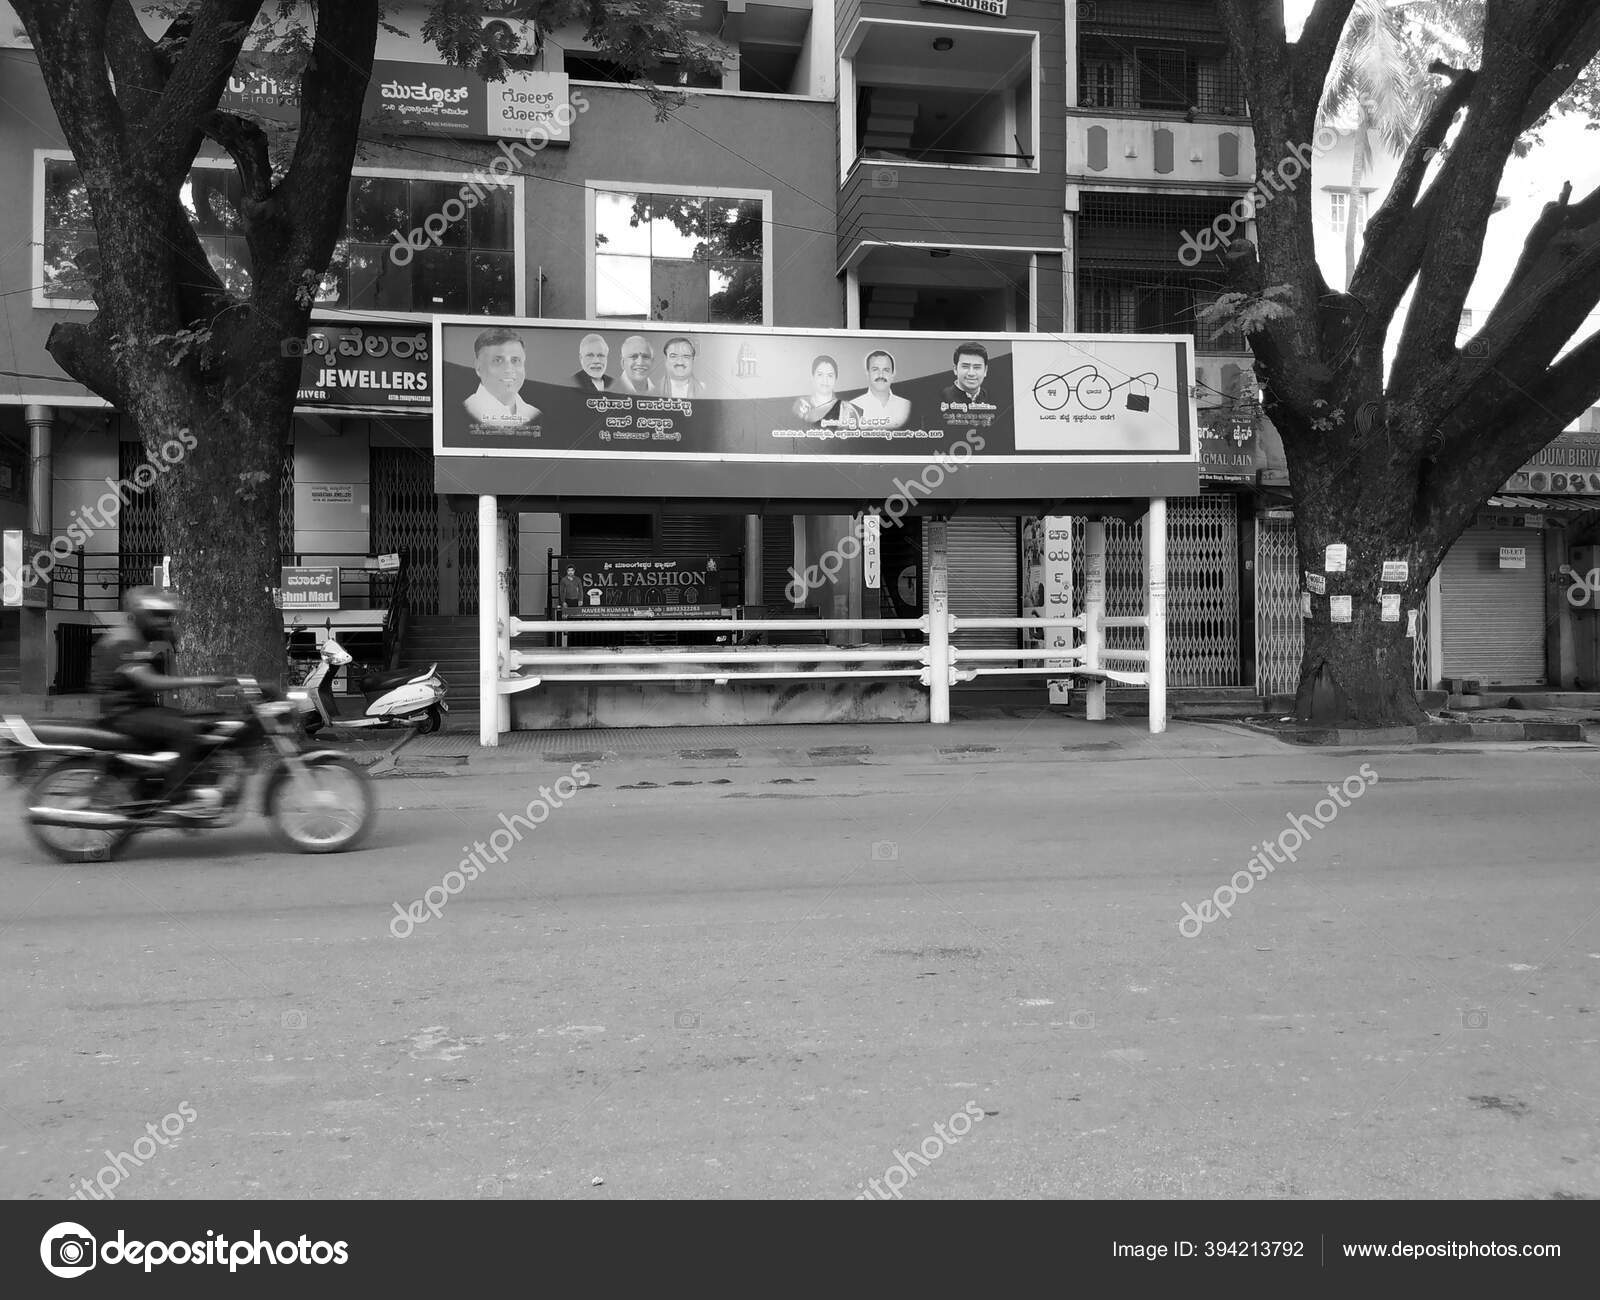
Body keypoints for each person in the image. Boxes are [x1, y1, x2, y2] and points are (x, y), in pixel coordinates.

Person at [90, 586, 230, 810]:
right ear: (142, 615)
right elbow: (150, 682)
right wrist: (200, 680)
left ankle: (170, 775)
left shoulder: (137, 638)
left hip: (139, 709)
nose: (164, 623)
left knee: (200, 721)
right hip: (125, 714)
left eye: (167, 617)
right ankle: (176, 795)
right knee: (186, 730)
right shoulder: (123, 640)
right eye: (158, 617)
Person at [464, 327, 541, 424]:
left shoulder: (535, 414)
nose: (509, 369)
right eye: (498, 360)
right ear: (478, 367)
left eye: (515, 360)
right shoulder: (463, 412)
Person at [846, 349, 912, 430]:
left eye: (886, 370)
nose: (881, 375)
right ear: (867, 373)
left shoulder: (906, 406)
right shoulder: (852, 408)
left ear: (893, 374)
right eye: (875, 369)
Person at [791, 354, 856, 426]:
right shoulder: (800, 405)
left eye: (830, 375)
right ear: (813, 377)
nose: (825, 380)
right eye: (820, 374)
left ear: (836, 379)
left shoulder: (847, 410)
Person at [939, 342, 995, 413]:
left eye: (977, 367)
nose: (971, 373)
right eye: (965, 366)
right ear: (955, 369)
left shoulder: (993, 399)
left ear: (985, 370)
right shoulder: (942, 398)